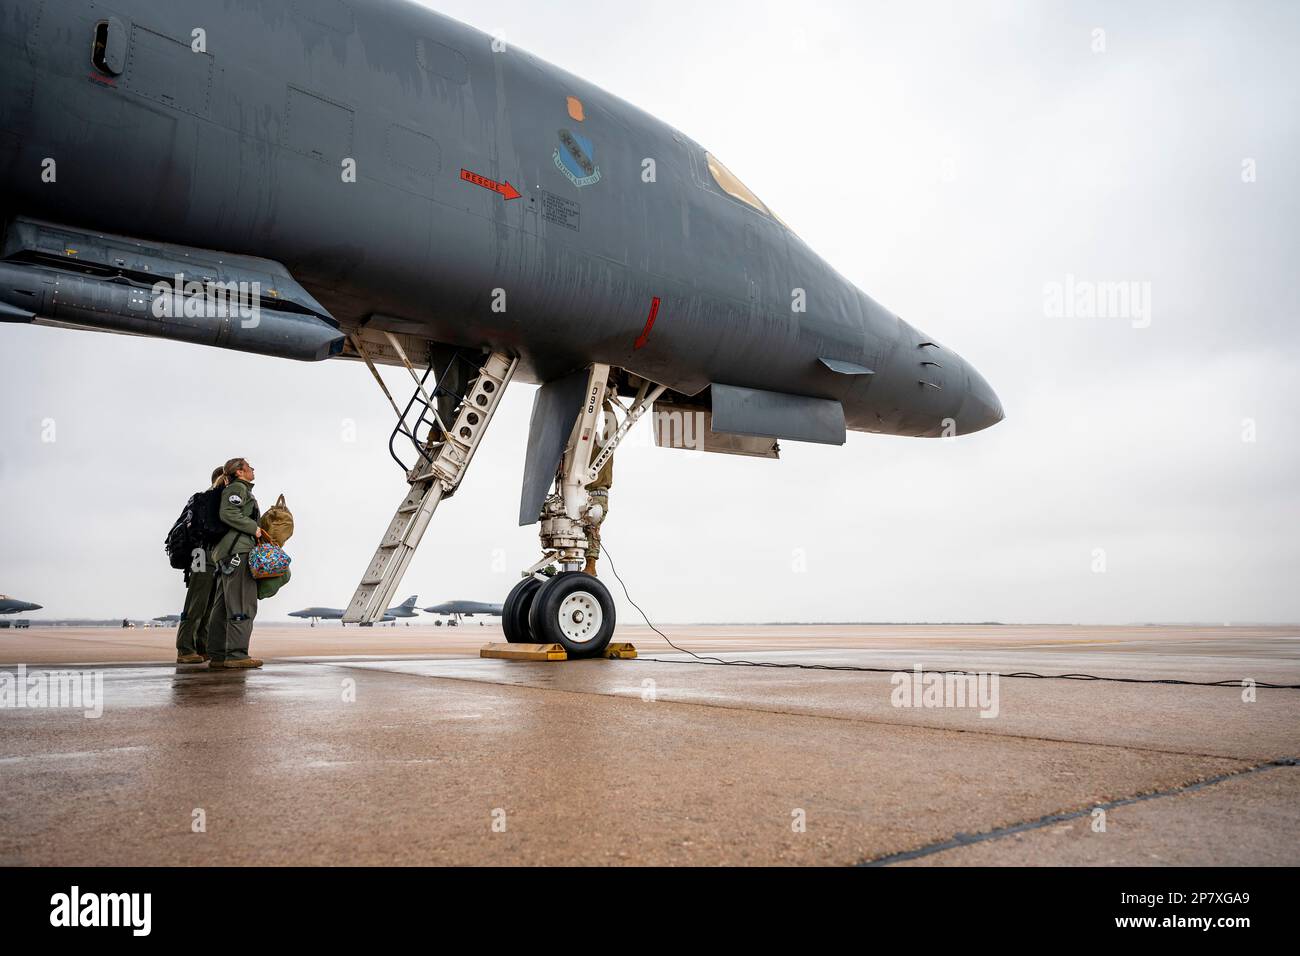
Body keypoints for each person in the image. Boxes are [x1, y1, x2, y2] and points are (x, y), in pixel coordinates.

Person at [205, 457, 266, 669]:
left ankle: (219, 654)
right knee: (242, 603)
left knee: (222, 606)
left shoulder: (237, 488)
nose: (253, 469)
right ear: (239, 472)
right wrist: (254, 528)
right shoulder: (238, 488)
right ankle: (237, 655)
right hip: (238, 552)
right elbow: (228, 512)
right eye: (249, 467)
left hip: (227, 553)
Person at [175, 465, 226, 664]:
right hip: (202, 553)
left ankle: (201, 647)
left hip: (211, 554)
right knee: (197, 602)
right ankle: (185, 648)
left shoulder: (214, 500)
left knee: (210, 604)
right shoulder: (207, 499)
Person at [583, 387, 618, 577]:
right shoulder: (580, 458)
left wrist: (605, 402)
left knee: (591, 526)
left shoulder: (603, 452)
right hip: (584, 497)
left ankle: (591, 566)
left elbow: (611, 427)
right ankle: (583, 565)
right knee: (577, 530)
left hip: (597, 496)